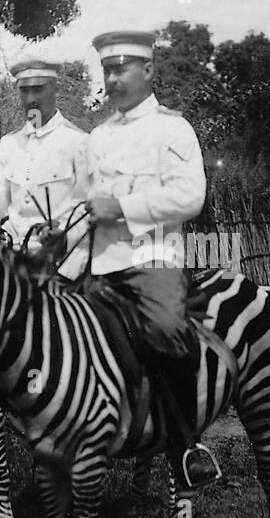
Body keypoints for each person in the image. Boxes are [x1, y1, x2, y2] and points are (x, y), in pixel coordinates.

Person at [83, 29, 221, 489]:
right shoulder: (97, 137)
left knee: (165, 331)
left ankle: (186, 446)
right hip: (99, 264)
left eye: (121, 68)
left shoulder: (172, 128)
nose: (113, 77)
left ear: (148, 70)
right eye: (107, 69)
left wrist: (122, 208)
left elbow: (190, 196)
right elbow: (85, 203)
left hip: (154, 259)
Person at [0, 59, 89, 282]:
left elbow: (89, 206)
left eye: (38, 90)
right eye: (24, 91)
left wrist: (65, 234)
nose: (30, 100)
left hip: (62, 267)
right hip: (10, 263)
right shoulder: (9, 144)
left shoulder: (78, 143)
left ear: (56, 88)